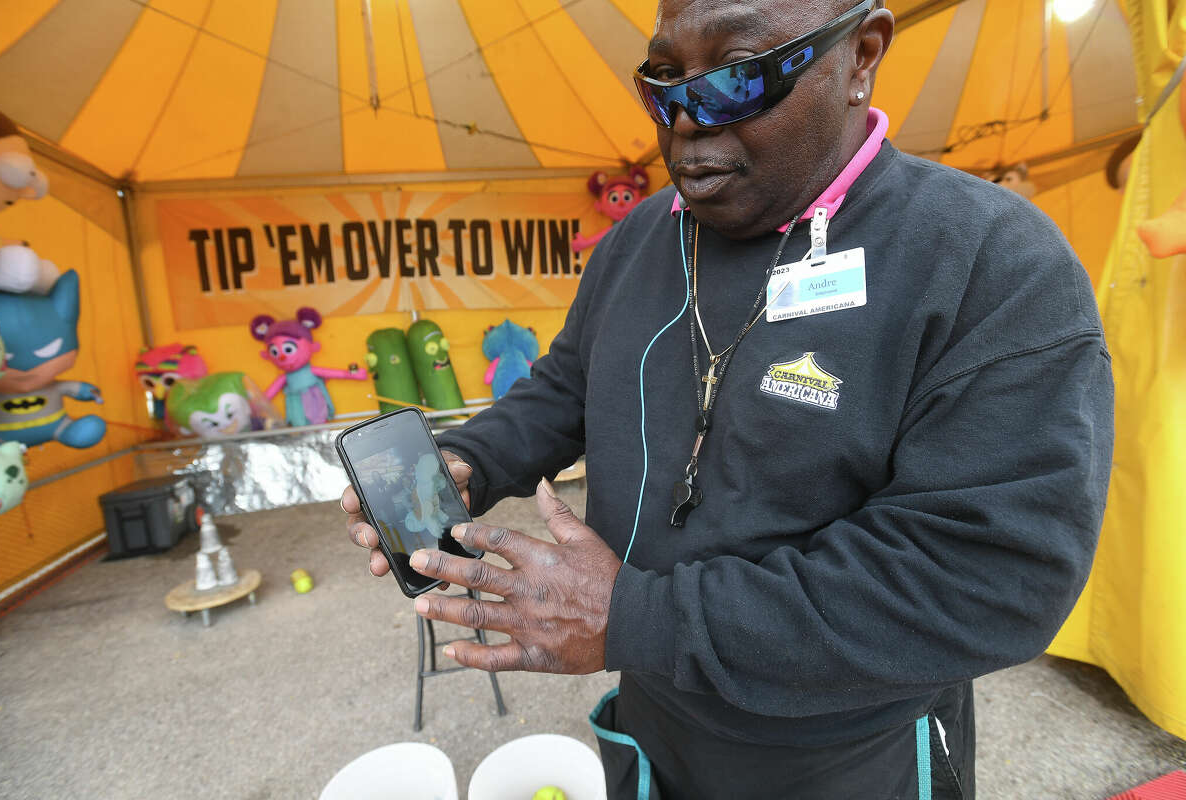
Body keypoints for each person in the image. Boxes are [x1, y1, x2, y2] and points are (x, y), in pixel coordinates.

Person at [343, 0, 1114, 796]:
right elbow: (571, 382)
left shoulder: (991, 260)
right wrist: (474, 457)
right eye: (664, 81)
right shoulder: (638, 239)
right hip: (654, 715)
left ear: (861, 56)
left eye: (738, 76)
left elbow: (988, 579)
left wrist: (633, 617)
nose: (687, 122)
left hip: (849, 753)